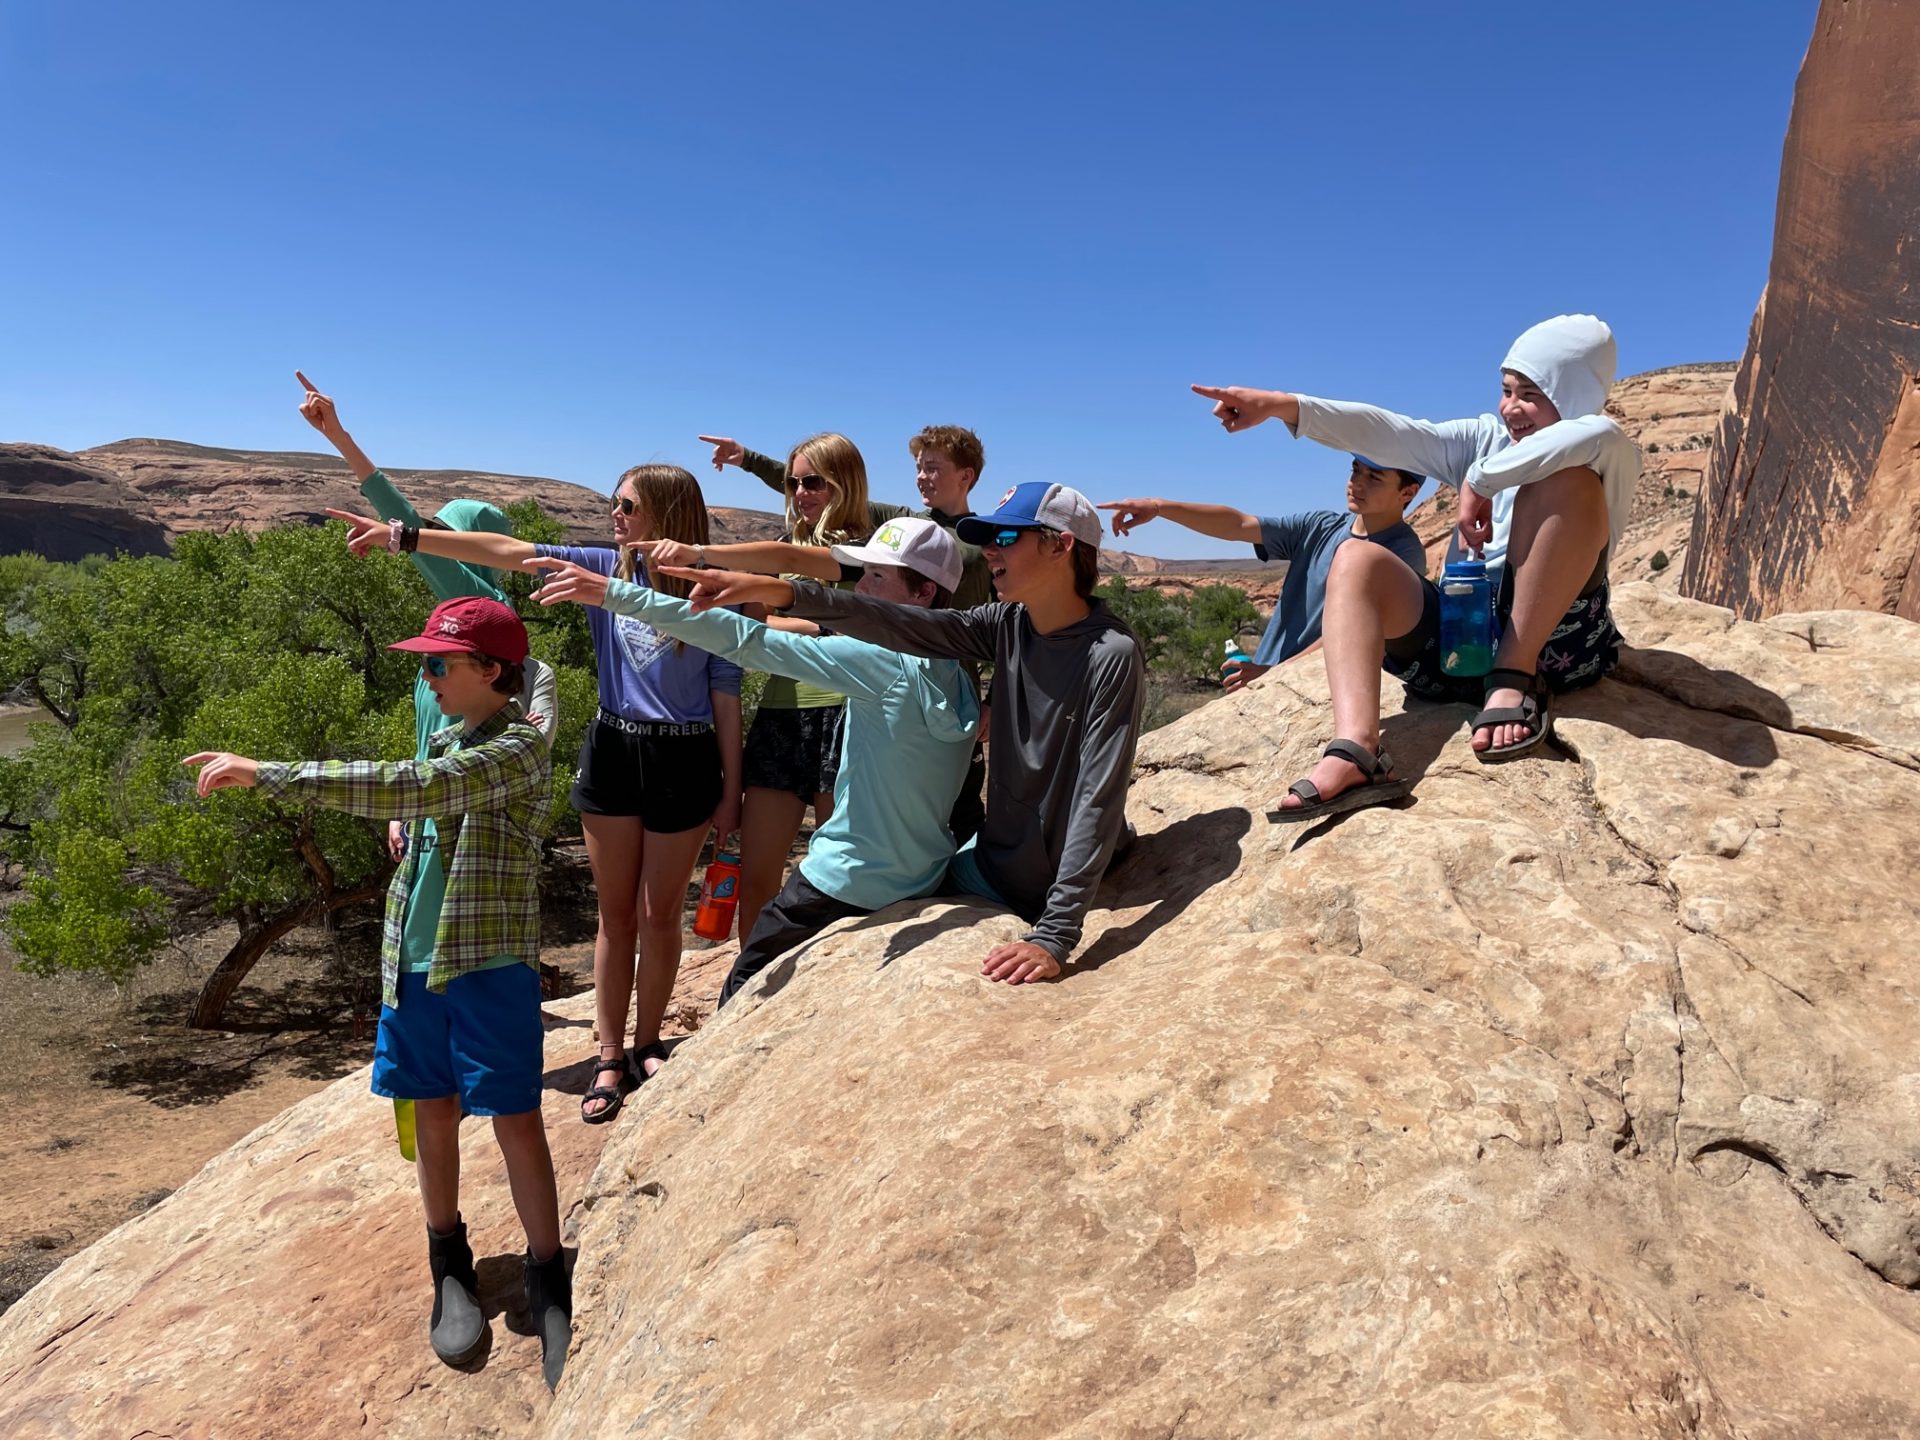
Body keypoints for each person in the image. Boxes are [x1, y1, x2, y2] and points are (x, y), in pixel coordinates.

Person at [181, 598, 571, 1389]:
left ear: (490, 671)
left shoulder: (517, 750)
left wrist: (267, 773)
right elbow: (419, 797)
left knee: (515, 1117)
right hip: (414, 958)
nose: (426, 678)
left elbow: (409, 785)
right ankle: (448, 1261)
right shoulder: (449, 735)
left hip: (488, 961)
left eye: (438, 663)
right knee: (431, 1106)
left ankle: (547, 1270)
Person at [326, 467, 743, 1124]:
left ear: (667, 512)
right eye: (613, 501)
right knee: (616, 917)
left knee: (661, 914)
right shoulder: (603, 566)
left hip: (685, 756)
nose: (614, 513)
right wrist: (406, 538)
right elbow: (507, 553)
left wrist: (731, 789)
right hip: (615, 749)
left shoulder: (713, 588)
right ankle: (609, 1055)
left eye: (627, 504)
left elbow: (726, 693)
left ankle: (648, 1043)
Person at [673, 482, 1144, 984]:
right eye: (988, 539)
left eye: (1006, 537)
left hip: (1037, 883)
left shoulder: (1109, 654)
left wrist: (1054, 935)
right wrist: (785, 592)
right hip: (989, 866)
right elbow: (900, 624)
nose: (990, 550)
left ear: (1061, 545)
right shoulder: (1008, 624)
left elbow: (1096, 796)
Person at [1192, 313, 1641, 820]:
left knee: (1565, 480)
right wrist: (1284, 406)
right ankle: (1357, 750)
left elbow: (1595, 434)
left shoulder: (1608, 452)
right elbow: (1393, 434)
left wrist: (1482, 481)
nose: (1510, 407)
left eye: (1531, 395)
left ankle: (1513, 677)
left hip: (1555, 648)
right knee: (1356, 557)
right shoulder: (1483, 439)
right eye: (1506, 390)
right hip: (1457, 649)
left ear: (1574, 396)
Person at [529, 515, 980, 1005]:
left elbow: (747, 641)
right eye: (863, 574)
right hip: (921, 875)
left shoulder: (881, 662)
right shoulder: (956, 671)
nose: (861, 589)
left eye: (876, 577)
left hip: (846, 881)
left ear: (924, 593)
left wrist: (614, 593)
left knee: (745, 992)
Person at [296, 373, 558, 880]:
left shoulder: (485, 610)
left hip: (463, 816)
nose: (433, 546)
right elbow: (428, 737)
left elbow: (405, 521)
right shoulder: (452, 629)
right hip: (426, 809)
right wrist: (402, 810)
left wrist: (341, 440)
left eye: (447, 538)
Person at [679, 431, 895, 945]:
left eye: (813, 482)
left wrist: (802, 622)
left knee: (841, 874)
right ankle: (751, 976)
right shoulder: (782, 549)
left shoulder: (875, 548)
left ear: (845, 482)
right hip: (782, 714)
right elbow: (757, 624)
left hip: (849, 715)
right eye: (794, 483)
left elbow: (878, 620)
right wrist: (824, 627)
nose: (801, 493)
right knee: (758, 873)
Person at [1097, 455, 1428, 689]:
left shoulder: (1403, 554)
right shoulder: (1320, 527)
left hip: (1314, 692)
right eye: (1356, 470)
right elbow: (1239, 524)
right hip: (1267, 679)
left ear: (1408, 493)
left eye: (1374, 477)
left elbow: (1354, 633)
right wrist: (1159, 507)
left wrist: (1275, 674)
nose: (1357, 483)